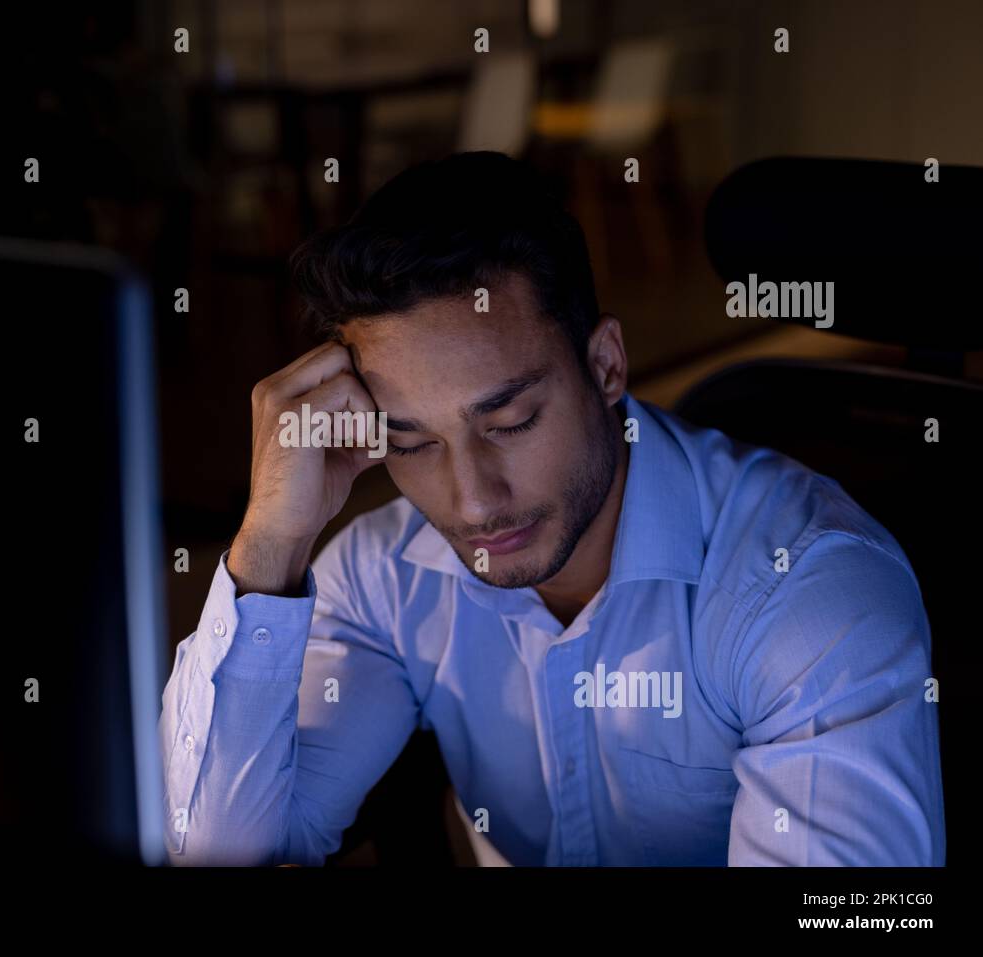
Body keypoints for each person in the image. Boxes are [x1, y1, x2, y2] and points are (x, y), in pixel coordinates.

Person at [159, 151, 946, 866]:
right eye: (412, 442)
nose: (472, 502)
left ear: (606, 366)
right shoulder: (381, 577)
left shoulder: (806, 596)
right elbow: (223, 855)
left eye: (509, 422)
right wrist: (271, 541)